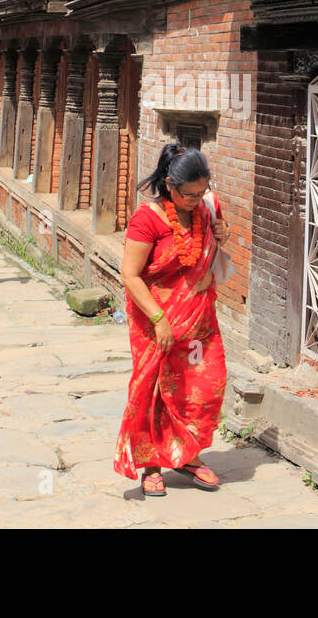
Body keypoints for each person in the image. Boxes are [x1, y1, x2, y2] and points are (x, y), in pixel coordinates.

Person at [113, 144, 230, 498]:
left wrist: (222, 235)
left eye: (202, 191)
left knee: (202, 386)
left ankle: (187, 456)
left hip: (198, 319)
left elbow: (212, 251)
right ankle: (151, 465)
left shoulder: (207, 207)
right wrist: (160, 319)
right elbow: (130, 275)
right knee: (156, 391)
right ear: (169, 186)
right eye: (189, 194)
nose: (197, 199)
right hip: (155, 320)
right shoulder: (146, 219)